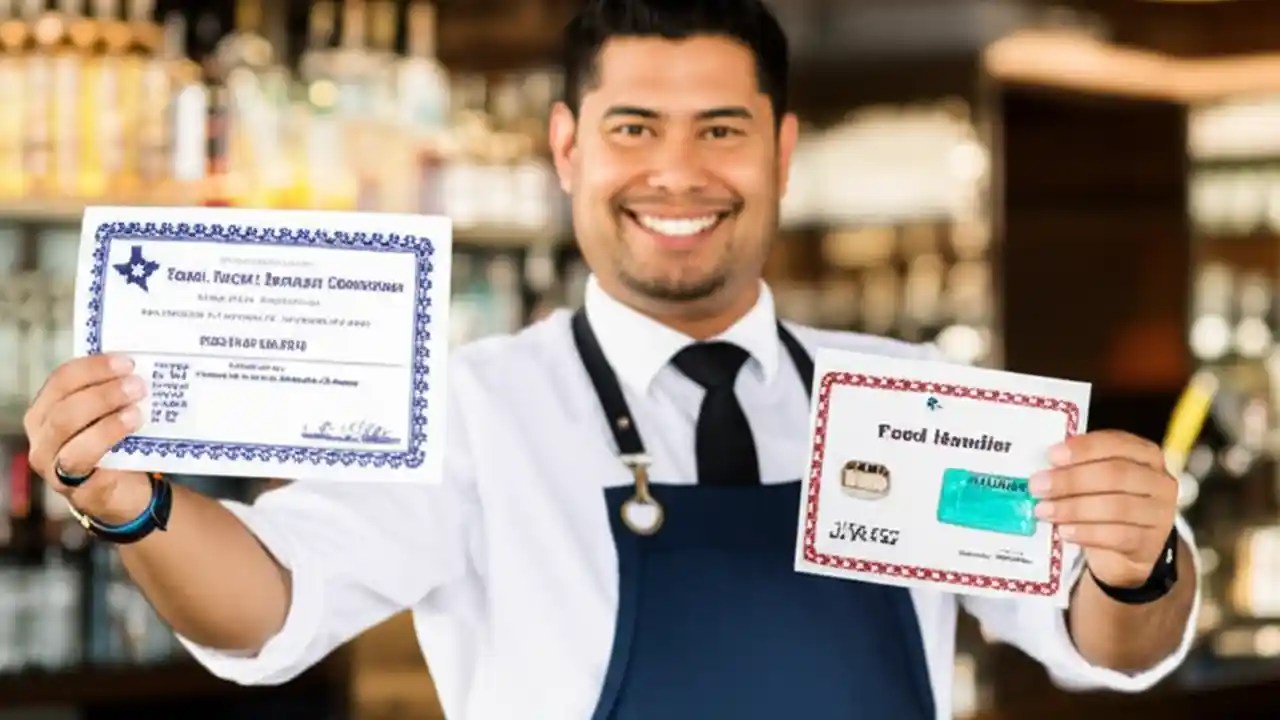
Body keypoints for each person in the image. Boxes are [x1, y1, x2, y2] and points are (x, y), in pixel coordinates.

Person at [22, 1, 1200, 718]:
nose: (675, 175)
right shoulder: (470, 410)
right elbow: (268, 613)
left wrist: (1138, 565)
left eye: (721, 131)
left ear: (781, 151)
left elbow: (1108, 649)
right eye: (633, 128)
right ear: (566, 149)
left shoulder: (917, 397)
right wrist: (133, 507)